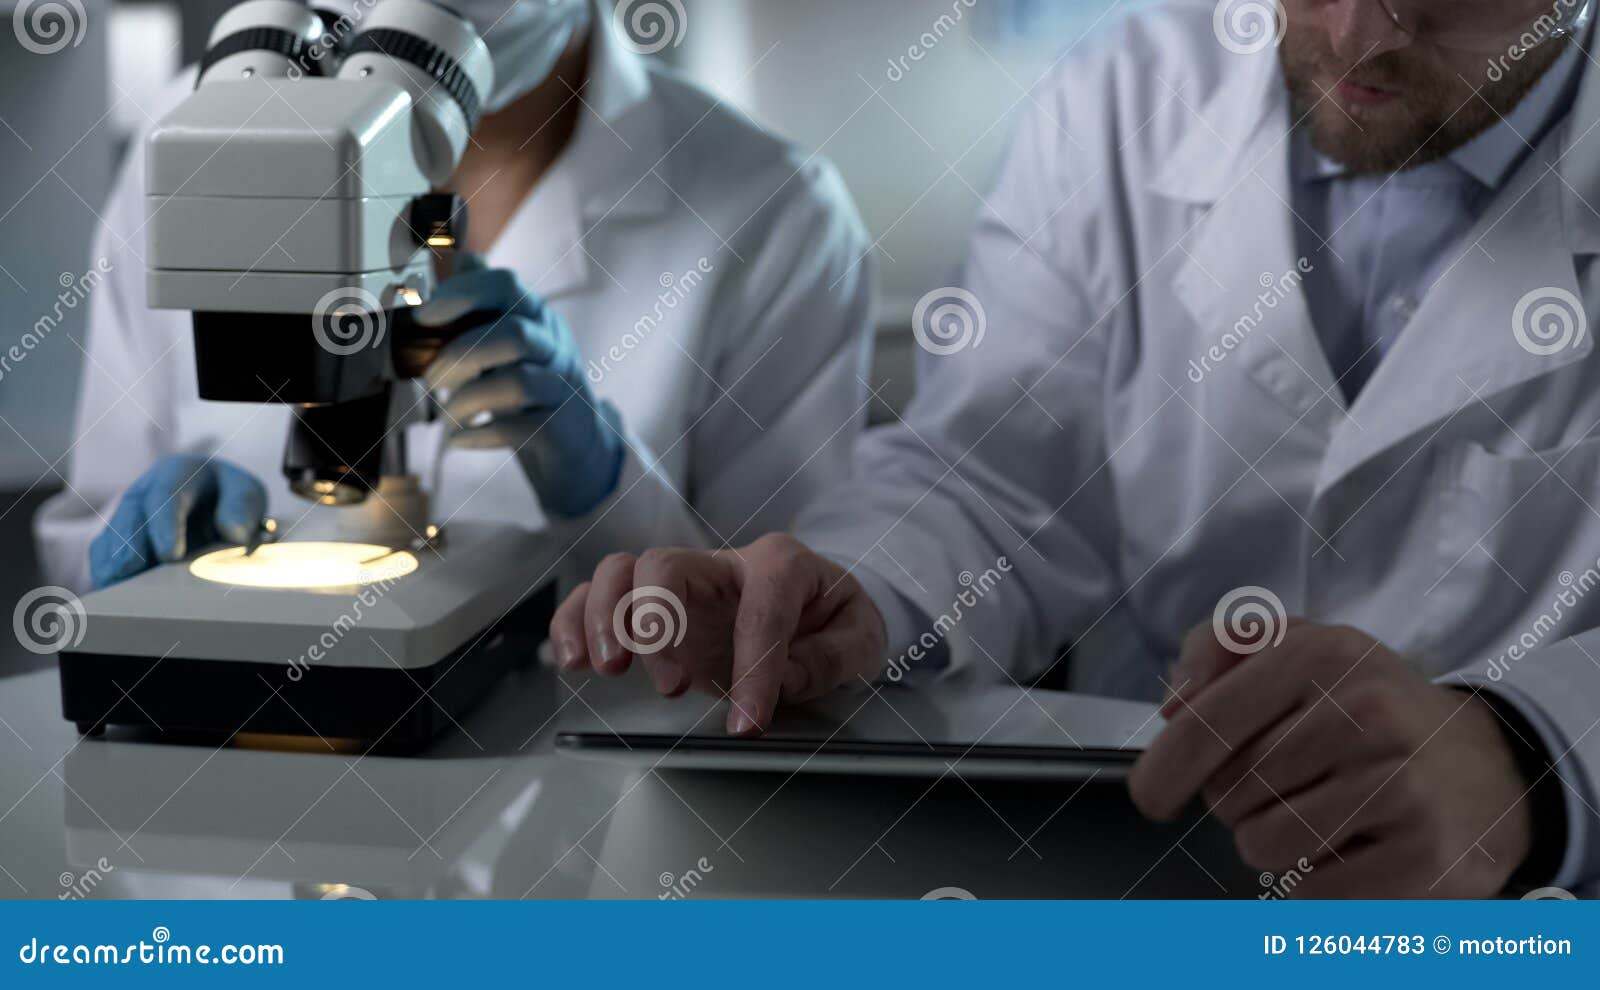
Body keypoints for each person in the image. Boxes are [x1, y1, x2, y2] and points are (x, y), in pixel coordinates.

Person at [552, 0, 1600, 897]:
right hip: (1163, 846)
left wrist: (1529, 759)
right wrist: (857, 596)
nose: (1361, 37)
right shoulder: (1124, 95)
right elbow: (995, 475)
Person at [34, 0, 874, 596]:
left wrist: (611, 494)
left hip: (603, 825)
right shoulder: (188, 134)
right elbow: (85, 552)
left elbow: (784, 631)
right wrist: (140, 560)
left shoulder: (776, 212)